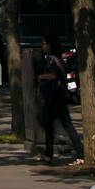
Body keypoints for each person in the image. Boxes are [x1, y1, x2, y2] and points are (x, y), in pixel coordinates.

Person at [36, 35, 84, 166]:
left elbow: (53, 75)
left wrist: (41, 77)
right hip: (56, 96)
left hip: (56, 96)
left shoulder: (52, 60)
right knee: (49, 124)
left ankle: (80, 153)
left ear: (50, 45)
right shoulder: (57, 58)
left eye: (45, 43)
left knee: (63, 124)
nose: (43, 46)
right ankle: (48, 154)